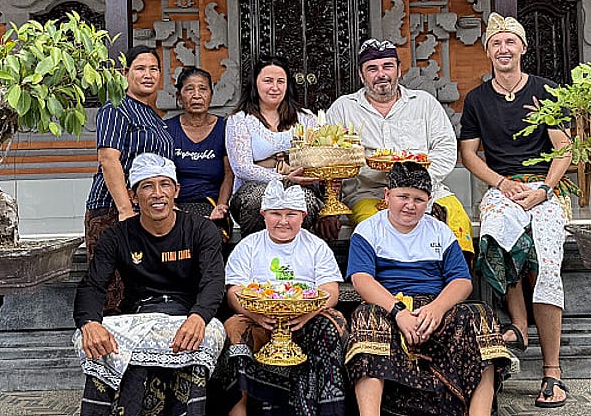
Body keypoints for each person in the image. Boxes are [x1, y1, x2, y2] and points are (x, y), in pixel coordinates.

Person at [342, 162, 515, 416]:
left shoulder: (440, 232)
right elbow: (361, 280)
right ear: (387, 195)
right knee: (365, 317)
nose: (410, 205)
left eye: (419, 199)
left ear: (428, 201)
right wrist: (398, 312)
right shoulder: (368, 230)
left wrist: (436, 308)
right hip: (390, 308)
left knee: (482, 316)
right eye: (403, 197)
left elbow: (461, 281)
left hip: (434, 308)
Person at [73, 154, 227, 416]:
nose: (157, 193)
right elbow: (93, 286)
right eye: (147, 187)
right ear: (133, 195)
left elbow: (214, 282)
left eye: (164, 185)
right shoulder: (117, 236)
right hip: (140, 316)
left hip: (186, 317)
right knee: (84, 337)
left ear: (176, 191)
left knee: (212, 333)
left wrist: (199, 316)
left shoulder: (202, 230)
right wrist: (89, 323)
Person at [457, 13, 573, 409]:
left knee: (544, 254)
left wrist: (544, 188)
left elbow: (564, 149)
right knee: (497, 237)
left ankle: (552, 371)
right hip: (502, 184)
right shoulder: (477, 99)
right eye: (495, 44)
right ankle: (518, 325)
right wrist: (500, 183)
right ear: (487, 52)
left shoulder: (545, 91)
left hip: (543, 184)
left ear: (523, 48)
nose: (503, 50)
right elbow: (469, 154)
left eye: (510, 43)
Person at [207, 179, 354, 416]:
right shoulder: (249, 246)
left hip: (306, 319)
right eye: (276, 213)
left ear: (304, 216)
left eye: (291, 215)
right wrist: (254, 313)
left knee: (334, 324)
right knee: (233, 328)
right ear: (263, 215)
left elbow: (331, 291)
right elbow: (233, 291)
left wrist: (309, 314)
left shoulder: (316, 247)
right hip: (260, 319)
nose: (283, 221)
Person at [322, 38, 472, 255]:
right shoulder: (344, 108)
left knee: (458, 221)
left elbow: (445, 147)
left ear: (399, 70)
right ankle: (391, 287)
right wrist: (331, 207)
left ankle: (452, 285)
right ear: (362, 75)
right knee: (375, 232)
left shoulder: (423, 102)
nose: (381, 74)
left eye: (387, 66)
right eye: (372, 68)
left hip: (427, 191)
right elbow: (332, 159)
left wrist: (418, 183)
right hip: (369, 193)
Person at [84, 46, 174, 264]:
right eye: (140, 68)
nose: (148, 75)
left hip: (146, 211)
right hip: (113, 210)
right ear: (125, 73)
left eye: (154, 69)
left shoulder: (152, 115)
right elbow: (108, 159)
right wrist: (125, 210)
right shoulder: (116, 108)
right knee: (112, 284)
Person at [225, 55, 322, 236]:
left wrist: (297, 178)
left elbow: (320, 156)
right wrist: (283, 178)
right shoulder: (240, 120)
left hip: (300, 187)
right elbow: (241, 168)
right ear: (255, 83)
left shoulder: (306, 118)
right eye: (268, 81)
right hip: (253, 187)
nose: (275, 88)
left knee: (303, 201)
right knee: (258, 200)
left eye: (281, 81)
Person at [165, 66, 233, 224]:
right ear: (179, 97)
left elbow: (229, 174)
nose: (196, 95)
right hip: (174, 206)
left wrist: (222, 205)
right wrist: (171, 206)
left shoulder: (224, 128)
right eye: (189, 89)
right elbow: (160, 174)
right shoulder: (167, 130)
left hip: (212, 205)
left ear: (211, 95)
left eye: (203, 89)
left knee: (208, 237)